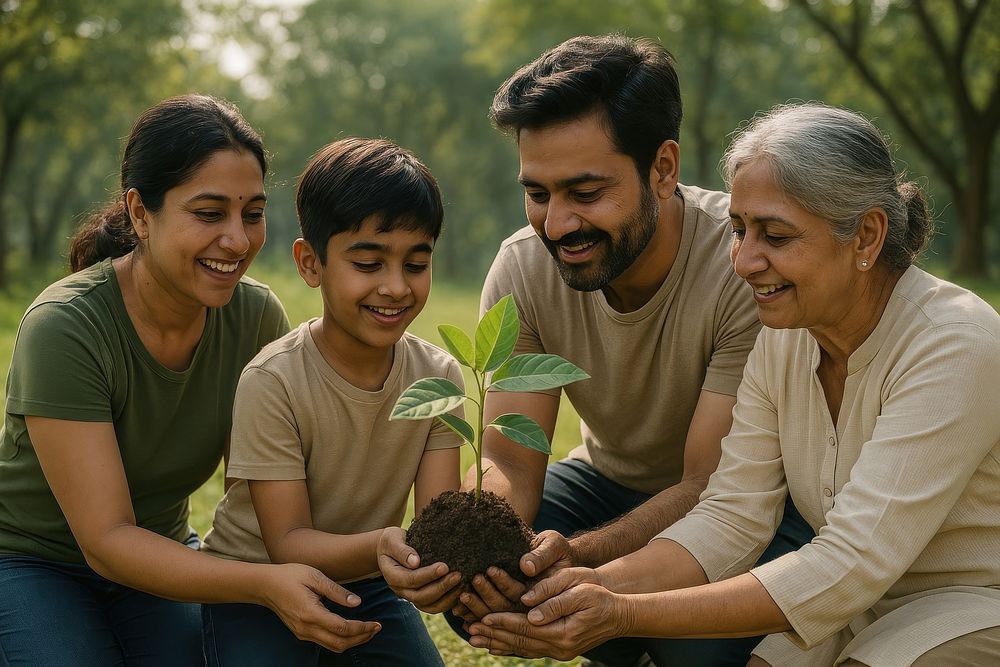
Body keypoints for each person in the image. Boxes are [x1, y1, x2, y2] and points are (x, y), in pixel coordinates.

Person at [466, 103, 1000, 666]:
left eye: (775, 235)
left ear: (866, 236)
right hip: (851, 612)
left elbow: (851, 561)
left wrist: (622, 612)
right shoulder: (789, 336)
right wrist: (585, 584)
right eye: (740, 230)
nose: (744, 262)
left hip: (968, 605)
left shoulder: (955, 344)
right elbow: (733, 513)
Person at [378, 34, 813, 666]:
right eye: (537, 193)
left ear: (663, 169)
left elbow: (710, 484)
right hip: (605, 482)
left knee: (699, 649)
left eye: (585, 194)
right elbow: (513, 458)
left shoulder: (742, 265)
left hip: (744, 503)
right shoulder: (524, 268)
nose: (557, 226)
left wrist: (579, 560)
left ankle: (633, 634)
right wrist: (461, 548)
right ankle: (622, 635)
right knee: (473, 586)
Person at [0, 95, 379, 665]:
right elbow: (105, 541)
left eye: (252, 213)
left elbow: (253, 495)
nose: (237, 239)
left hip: (162, 558)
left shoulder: (253, 318)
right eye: (208, 214)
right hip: (30, 561)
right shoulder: (66, 328)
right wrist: (259, 586)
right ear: (140, 213)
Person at [199, 137, 462, 666]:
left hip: (370, 585)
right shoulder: (274, 380)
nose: (395, 287)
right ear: (310, 263)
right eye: (368, 263)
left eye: (416, 264)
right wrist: (386, 546)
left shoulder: (438, 377)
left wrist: (434, 565)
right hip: (258, 587)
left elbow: (435, 521)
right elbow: (289, 543)